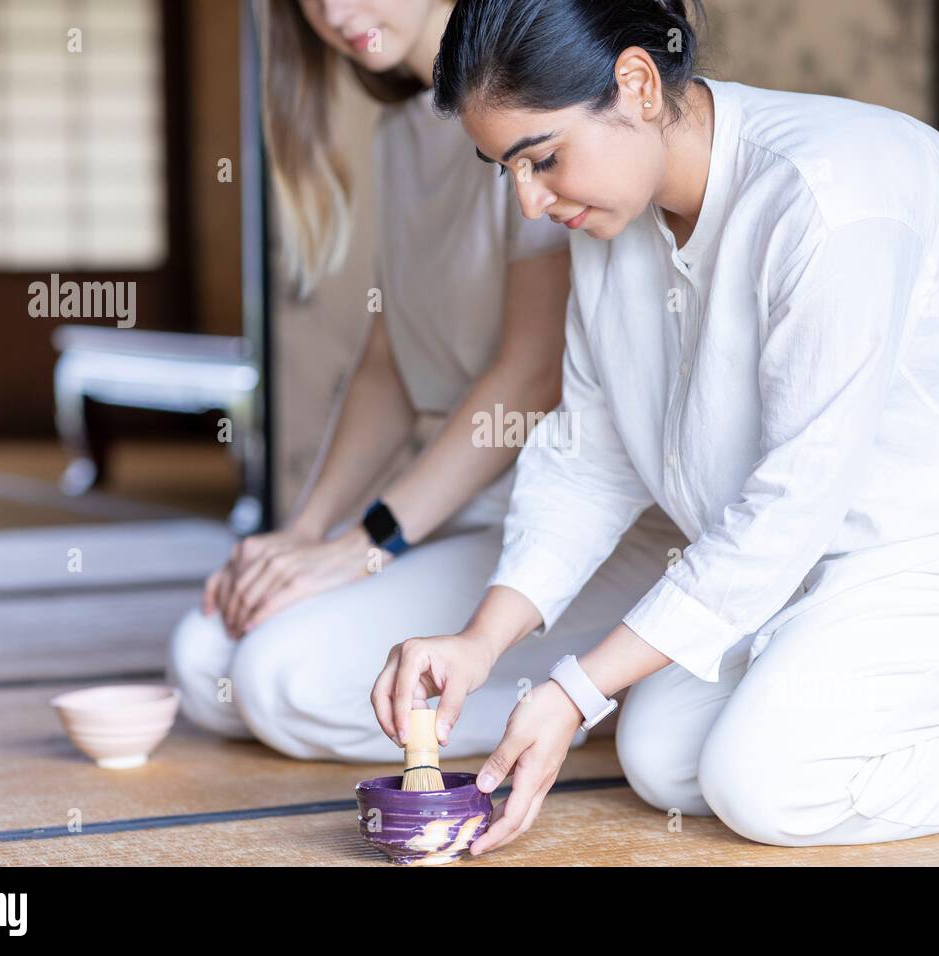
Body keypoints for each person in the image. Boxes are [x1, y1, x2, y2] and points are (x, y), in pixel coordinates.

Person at [372, 0, 939, 853]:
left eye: (543, 159)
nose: (531, 202)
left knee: (766, 781)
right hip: (859, 538)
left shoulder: (827, 198)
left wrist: (574, 691)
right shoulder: (609, 220)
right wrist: (478, 641)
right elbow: (588, 463)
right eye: (508, 171)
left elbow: (785, 510)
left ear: (638, 84)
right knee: (662, 752)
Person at [167, 0, 686, 761]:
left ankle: (612, 684)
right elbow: (390, 363)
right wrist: (306, 533)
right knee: (205, 655)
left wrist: (366, 542)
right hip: (456, 510)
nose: (336, 12)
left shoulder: (530, 121)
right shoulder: (402, 134)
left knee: (278, 680)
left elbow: (532, 373)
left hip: (565, 524)